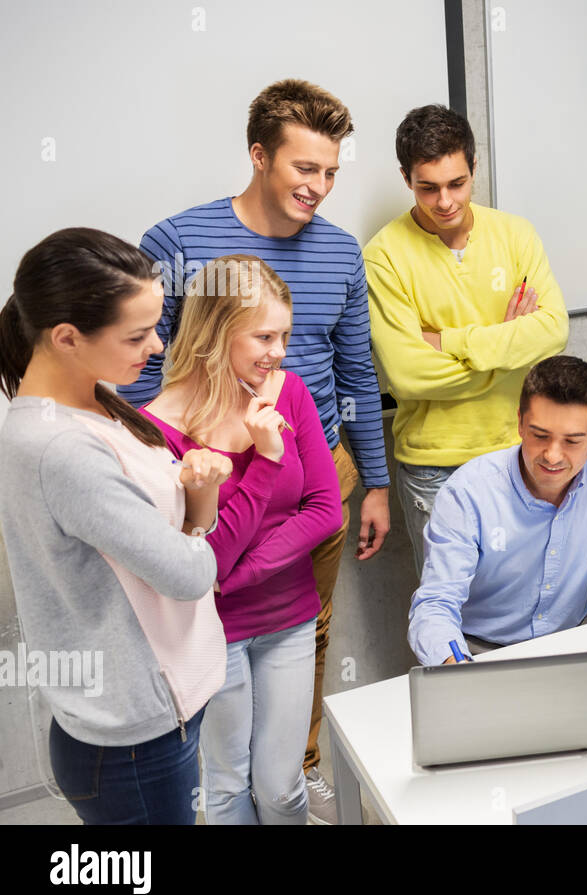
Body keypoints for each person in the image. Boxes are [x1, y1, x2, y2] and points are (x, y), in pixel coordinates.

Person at [114, 79, 390, 822]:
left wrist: (377, 480)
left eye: (332, 172)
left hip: (314, 458)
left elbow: (357, 366)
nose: (320, 188)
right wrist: (175, 464)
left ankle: (290, 776)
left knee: (305, 626)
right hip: (200, 472)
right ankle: (243, 786)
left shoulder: (339, 251)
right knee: (219, 638)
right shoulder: (177, 242)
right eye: (306, 169)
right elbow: (142, 365)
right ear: (259, 155)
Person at [0, 228, 229, 825]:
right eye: (136, 335)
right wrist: (202, 516)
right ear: (67, 337)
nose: (157, 347)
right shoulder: (61, 448)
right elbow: (187, 573)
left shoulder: (89, 401)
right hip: (132, 741)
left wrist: (192, 494)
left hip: (148, 715)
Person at [140, 256, 342, 825]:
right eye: (264, 336)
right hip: (211, 635)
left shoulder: (289, 394)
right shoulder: (158, 431)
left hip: (291, 620)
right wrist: (267, 462)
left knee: (281, 789)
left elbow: (325, 510)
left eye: (285, 334)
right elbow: (197, 555)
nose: (279, 351)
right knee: (227, 789)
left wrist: (235, 576)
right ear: (216, 331)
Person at [365, 105, 568, 577]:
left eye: (457, 183)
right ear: (405, 178)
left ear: (474, 167)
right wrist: (510, 351)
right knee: (450, 615)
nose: (445, 201)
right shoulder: (383, 256)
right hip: (436, 470)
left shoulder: (516, 234)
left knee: (527, 605)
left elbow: (554, 329)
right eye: (428, 187)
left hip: (518, 453)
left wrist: (449, 340)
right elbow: (409, 376)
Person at [408, 356, 587, 667]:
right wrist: (457, 667)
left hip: (575, 640)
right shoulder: (467, 492)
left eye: (573, 441)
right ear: (519, 423)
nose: (553, 456)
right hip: (481, 652)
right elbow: (435, 604)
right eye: (540, 436)